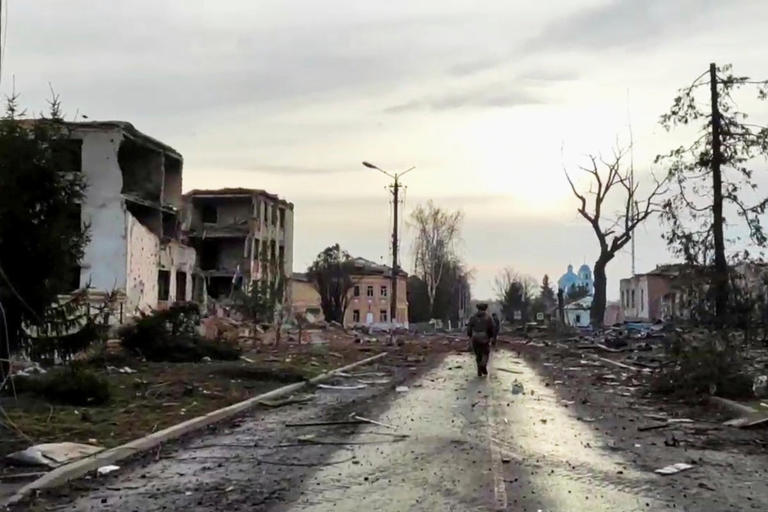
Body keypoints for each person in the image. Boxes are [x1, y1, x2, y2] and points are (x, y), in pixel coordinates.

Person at [467, 303, 495, 377]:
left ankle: (479, 370)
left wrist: (470, 336)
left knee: (478, 354)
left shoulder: (473, 317)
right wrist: (491, 337)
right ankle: (483, 366)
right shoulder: (488, 318)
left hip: (475, 337)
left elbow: (469, 327)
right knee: (485, 353)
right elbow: (491, 328)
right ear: (485, 309)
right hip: (484, 337)